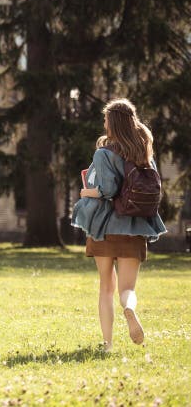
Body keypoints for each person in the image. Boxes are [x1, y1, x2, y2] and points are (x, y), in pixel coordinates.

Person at [72, 98, 166, 352]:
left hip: (104, 228)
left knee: (106, 286)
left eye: (105, 120)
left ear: (112, 123)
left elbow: (107, 190)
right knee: (126, 289)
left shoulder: (103, 153)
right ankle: (129, 309)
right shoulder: (144, 152)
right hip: (134, 229)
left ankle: (108, 344)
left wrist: (86, 193)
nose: (103, 123)